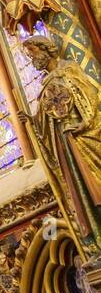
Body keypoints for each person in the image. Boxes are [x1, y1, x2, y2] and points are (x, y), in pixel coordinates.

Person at [21, 35, 101, 258]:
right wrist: (31, 121)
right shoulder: (46, 82)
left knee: (94, 182)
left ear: (46, 49)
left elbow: (89, 97)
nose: (31, 59)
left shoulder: (69, 69)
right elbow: (51, 115)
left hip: (81, 136)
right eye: (28, 56)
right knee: (80, 191)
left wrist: (85, 122)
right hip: (64, 143)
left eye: (33, 53)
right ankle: (95, 239)